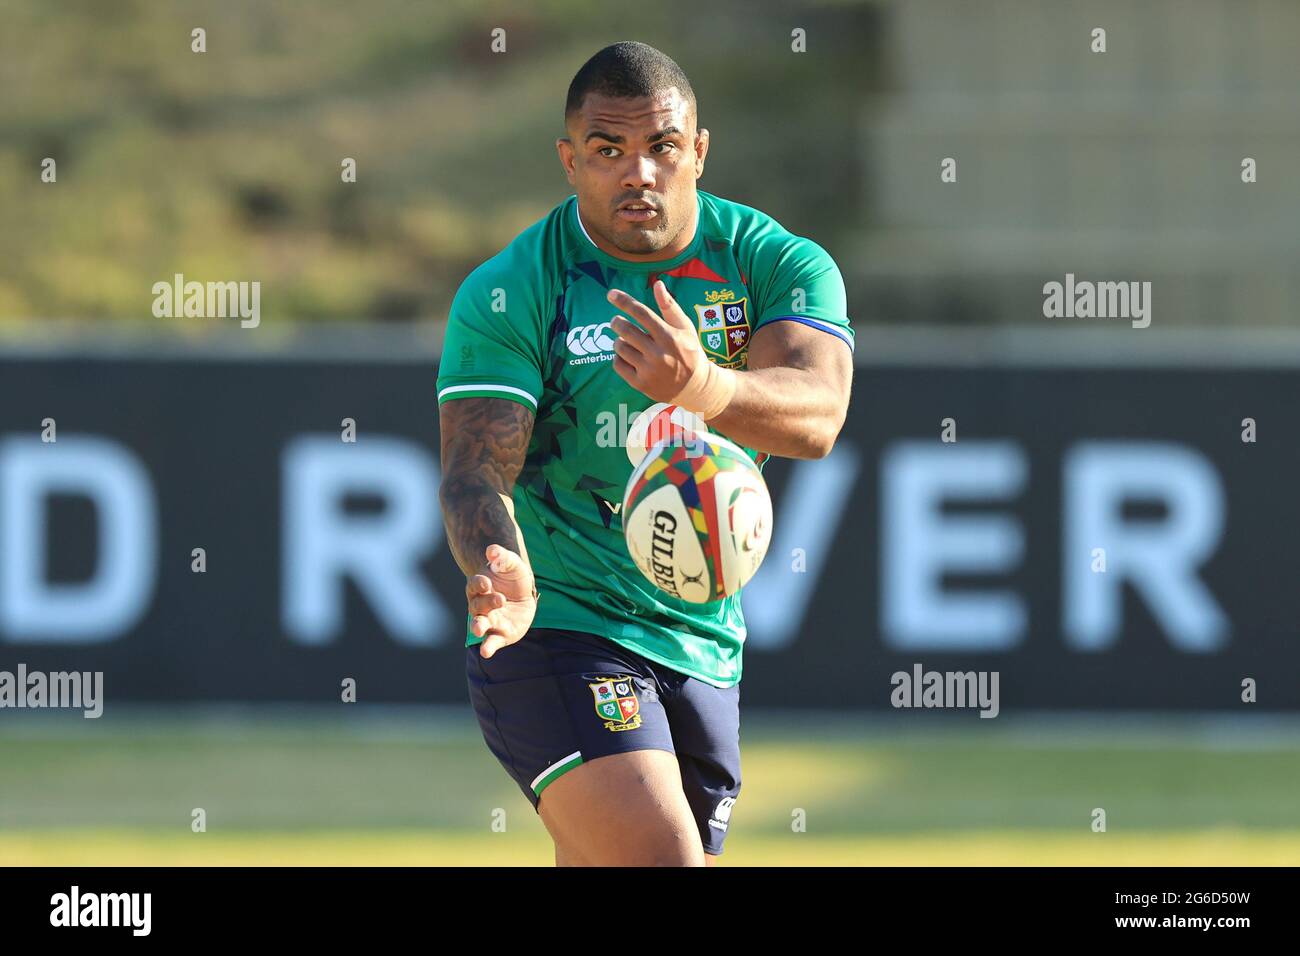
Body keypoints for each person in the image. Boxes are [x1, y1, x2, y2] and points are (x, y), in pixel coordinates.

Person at [437, 40, 854, 866]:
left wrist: (705, 386)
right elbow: (473, 471)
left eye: (662, 146)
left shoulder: (774, 263)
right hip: (556, 628)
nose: (638, 173)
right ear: (569, 161)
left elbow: (819, 414)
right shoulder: (515, 288)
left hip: (700, 639)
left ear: (698, 150)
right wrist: (500, 561)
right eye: (607, 150)